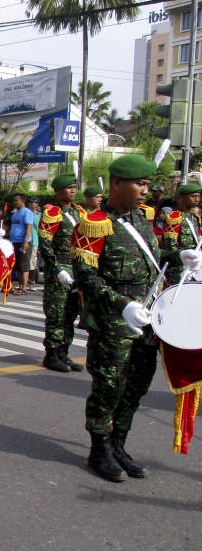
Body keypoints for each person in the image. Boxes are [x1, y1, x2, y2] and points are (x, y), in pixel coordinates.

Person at [71, 154, 202, 482]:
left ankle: (119, 444)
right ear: (117, 183)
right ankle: (99, 449)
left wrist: (178, 257)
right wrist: (121, 305)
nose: (146, 190)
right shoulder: (95, 222)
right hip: (114, 323)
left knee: (137, 386)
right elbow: (86, 276)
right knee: (109, 386)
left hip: (147, 320)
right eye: (140, 184)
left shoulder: (144, 219)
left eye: (147, 184)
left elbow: (154, 261)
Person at [38, 174, 84, 372]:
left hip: (76, 269)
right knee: (56, 313)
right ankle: (52, 354)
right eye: (68, 188)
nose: (72, 190)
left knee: (70, 313)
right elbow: (45, 244)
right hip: (59, 270)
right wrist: (56, 268)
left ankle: (64, 353)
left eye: (74, 187)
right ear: (58, 191)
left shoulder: (79, 212)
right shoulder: (52, 212)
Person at [160, 182, 201, 284]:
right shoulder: (174, 217)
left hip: (194, 265)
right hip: (180, 268)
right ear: (182, 198)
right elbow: (170, 247)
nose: (197, 199)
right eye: (193, 196)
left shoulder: (194, 217)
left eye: (198, 196)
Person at [9, 192, 34, 295]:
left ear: (22, 201)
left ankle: (24, 287)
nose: (14, 202)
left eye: (16, 200)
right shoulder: (15, 213)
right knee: (18, 266)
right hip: (14, 242)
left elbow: (29, 228)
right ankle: (19, 286)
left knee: (24, 266)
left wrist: (25, 242)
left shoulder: (27, 212)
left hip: (24, 242)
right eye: (14, 200)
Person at [28, 196, 42, 290]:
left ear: (37, 204)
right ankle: (27, 280)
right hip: (26, 240)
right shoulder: (27, 213)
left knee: (33, 263)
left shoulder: (40, 215)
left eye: (33, 202)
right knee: (26, 262)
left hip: (35, 241)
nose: (31, 204)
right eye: (30, 202)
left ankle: (32, 281)